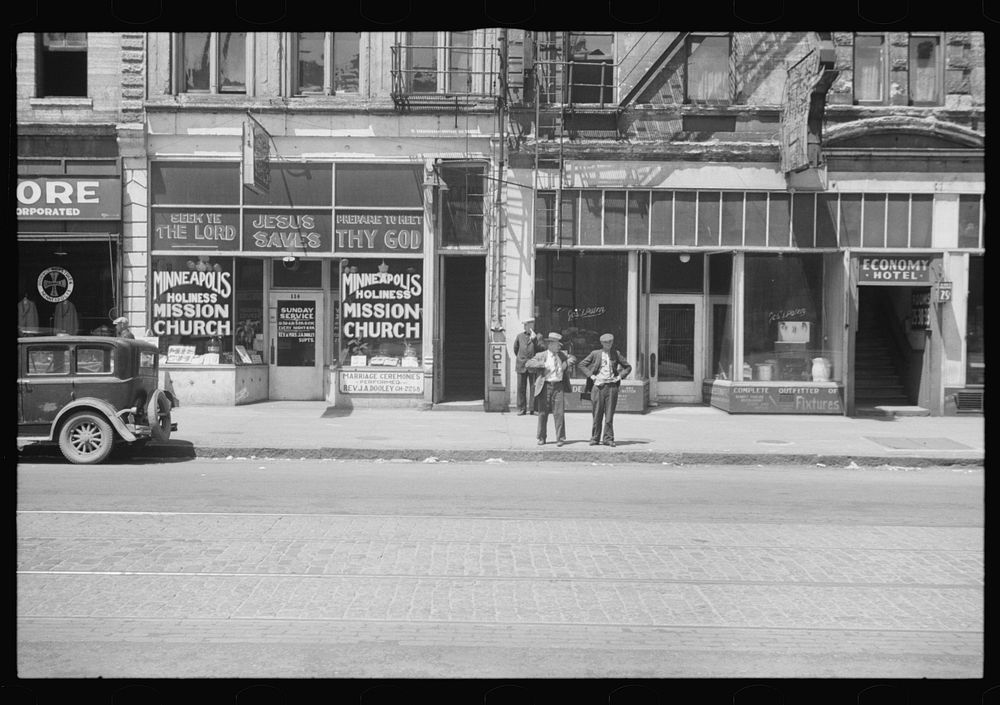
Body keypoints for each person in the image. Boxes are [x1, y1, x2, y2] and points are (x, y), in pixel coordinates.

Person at [578, 333, 633, 447]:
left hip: (612, 387)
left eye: (610, 342)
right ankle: (595, 438)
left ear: (612, 343)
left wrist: (619, 377)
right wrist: (592, 377)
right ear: (602, 343)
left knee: (609, 415)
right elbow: (582, 365)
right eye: (605, 343)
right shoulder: (595, 354)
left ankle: (608, 439)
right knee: (597, 414)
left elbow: (628, 367)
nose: (608, 345)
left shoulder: (616, 354)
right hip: (598, 387)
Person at [525, 332, 576, 447]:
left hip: (558, 387)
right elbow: (528, 363)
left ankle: (560, 438)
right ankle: (542, 437)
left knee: (559, 413)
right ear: (550, 344)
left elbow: (573, 358)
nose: (559, 347)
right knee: (543, 413)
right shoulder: (541, 355)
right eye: (557, 345)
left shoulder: (562, 355)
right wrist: (541, 365)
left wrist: (567, 363)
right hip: (545, 386)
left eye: (559, 345)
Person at [512, 317, 542, 415]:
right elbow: (516, 349)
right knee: (521, 387)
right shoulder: (519, 336)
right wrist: (522, 359)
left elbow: (542, 349)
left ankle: (533, 409)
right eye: (526, 325)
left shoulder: (538, 336)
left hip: (533, 366)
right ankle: (522, 408)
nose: (527, 327)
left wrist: (534, 340)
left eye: (529, 325)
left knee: (534, 388)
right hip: (521, 365)